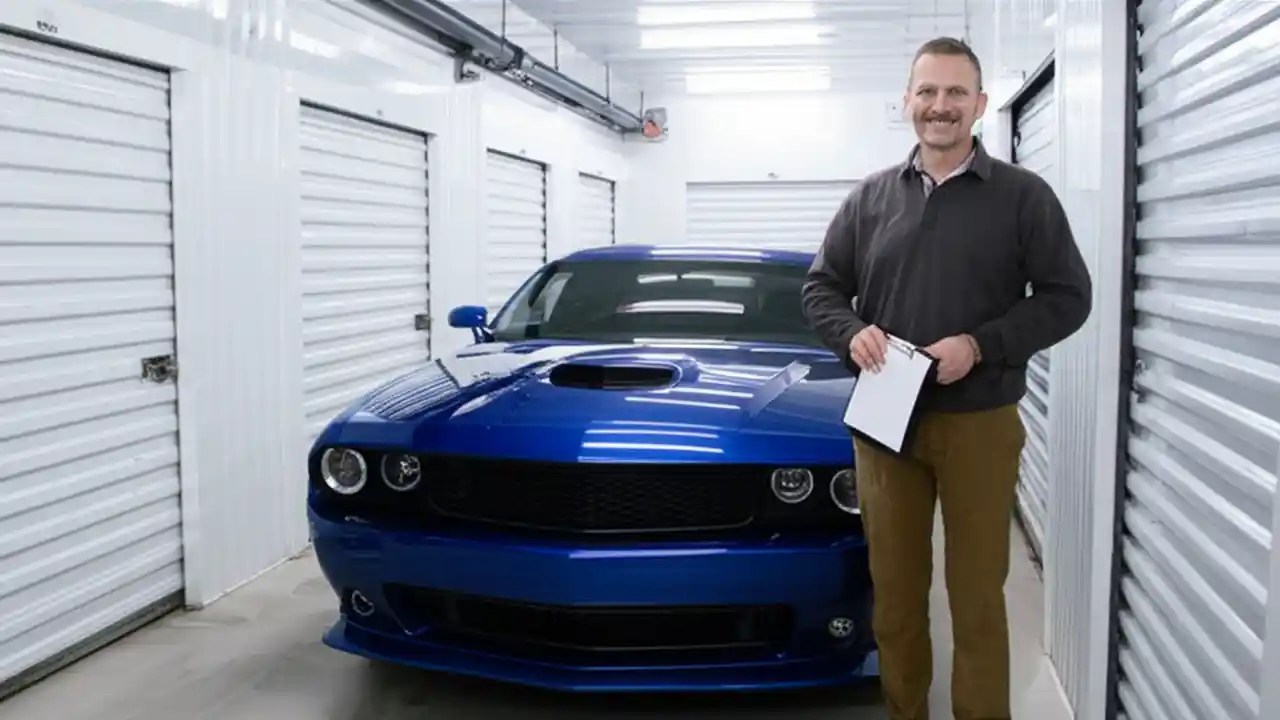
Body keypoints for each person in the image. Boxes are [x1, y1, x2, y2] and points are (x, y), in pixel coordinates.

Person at [801, 37, 1092, 720]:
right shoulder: (870, 200)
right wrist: (852, 332)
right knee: (896, 597)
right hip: (884, 422)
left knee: (977, 599)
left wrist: (981, 345)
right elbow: (821, 289)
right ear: (906, 102)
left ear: (981, 105)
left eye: (956, 93)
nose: (940, 106)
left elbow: (1066, 296)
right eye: (927, 92)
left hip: (981, 421)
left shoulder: (1022, 197)